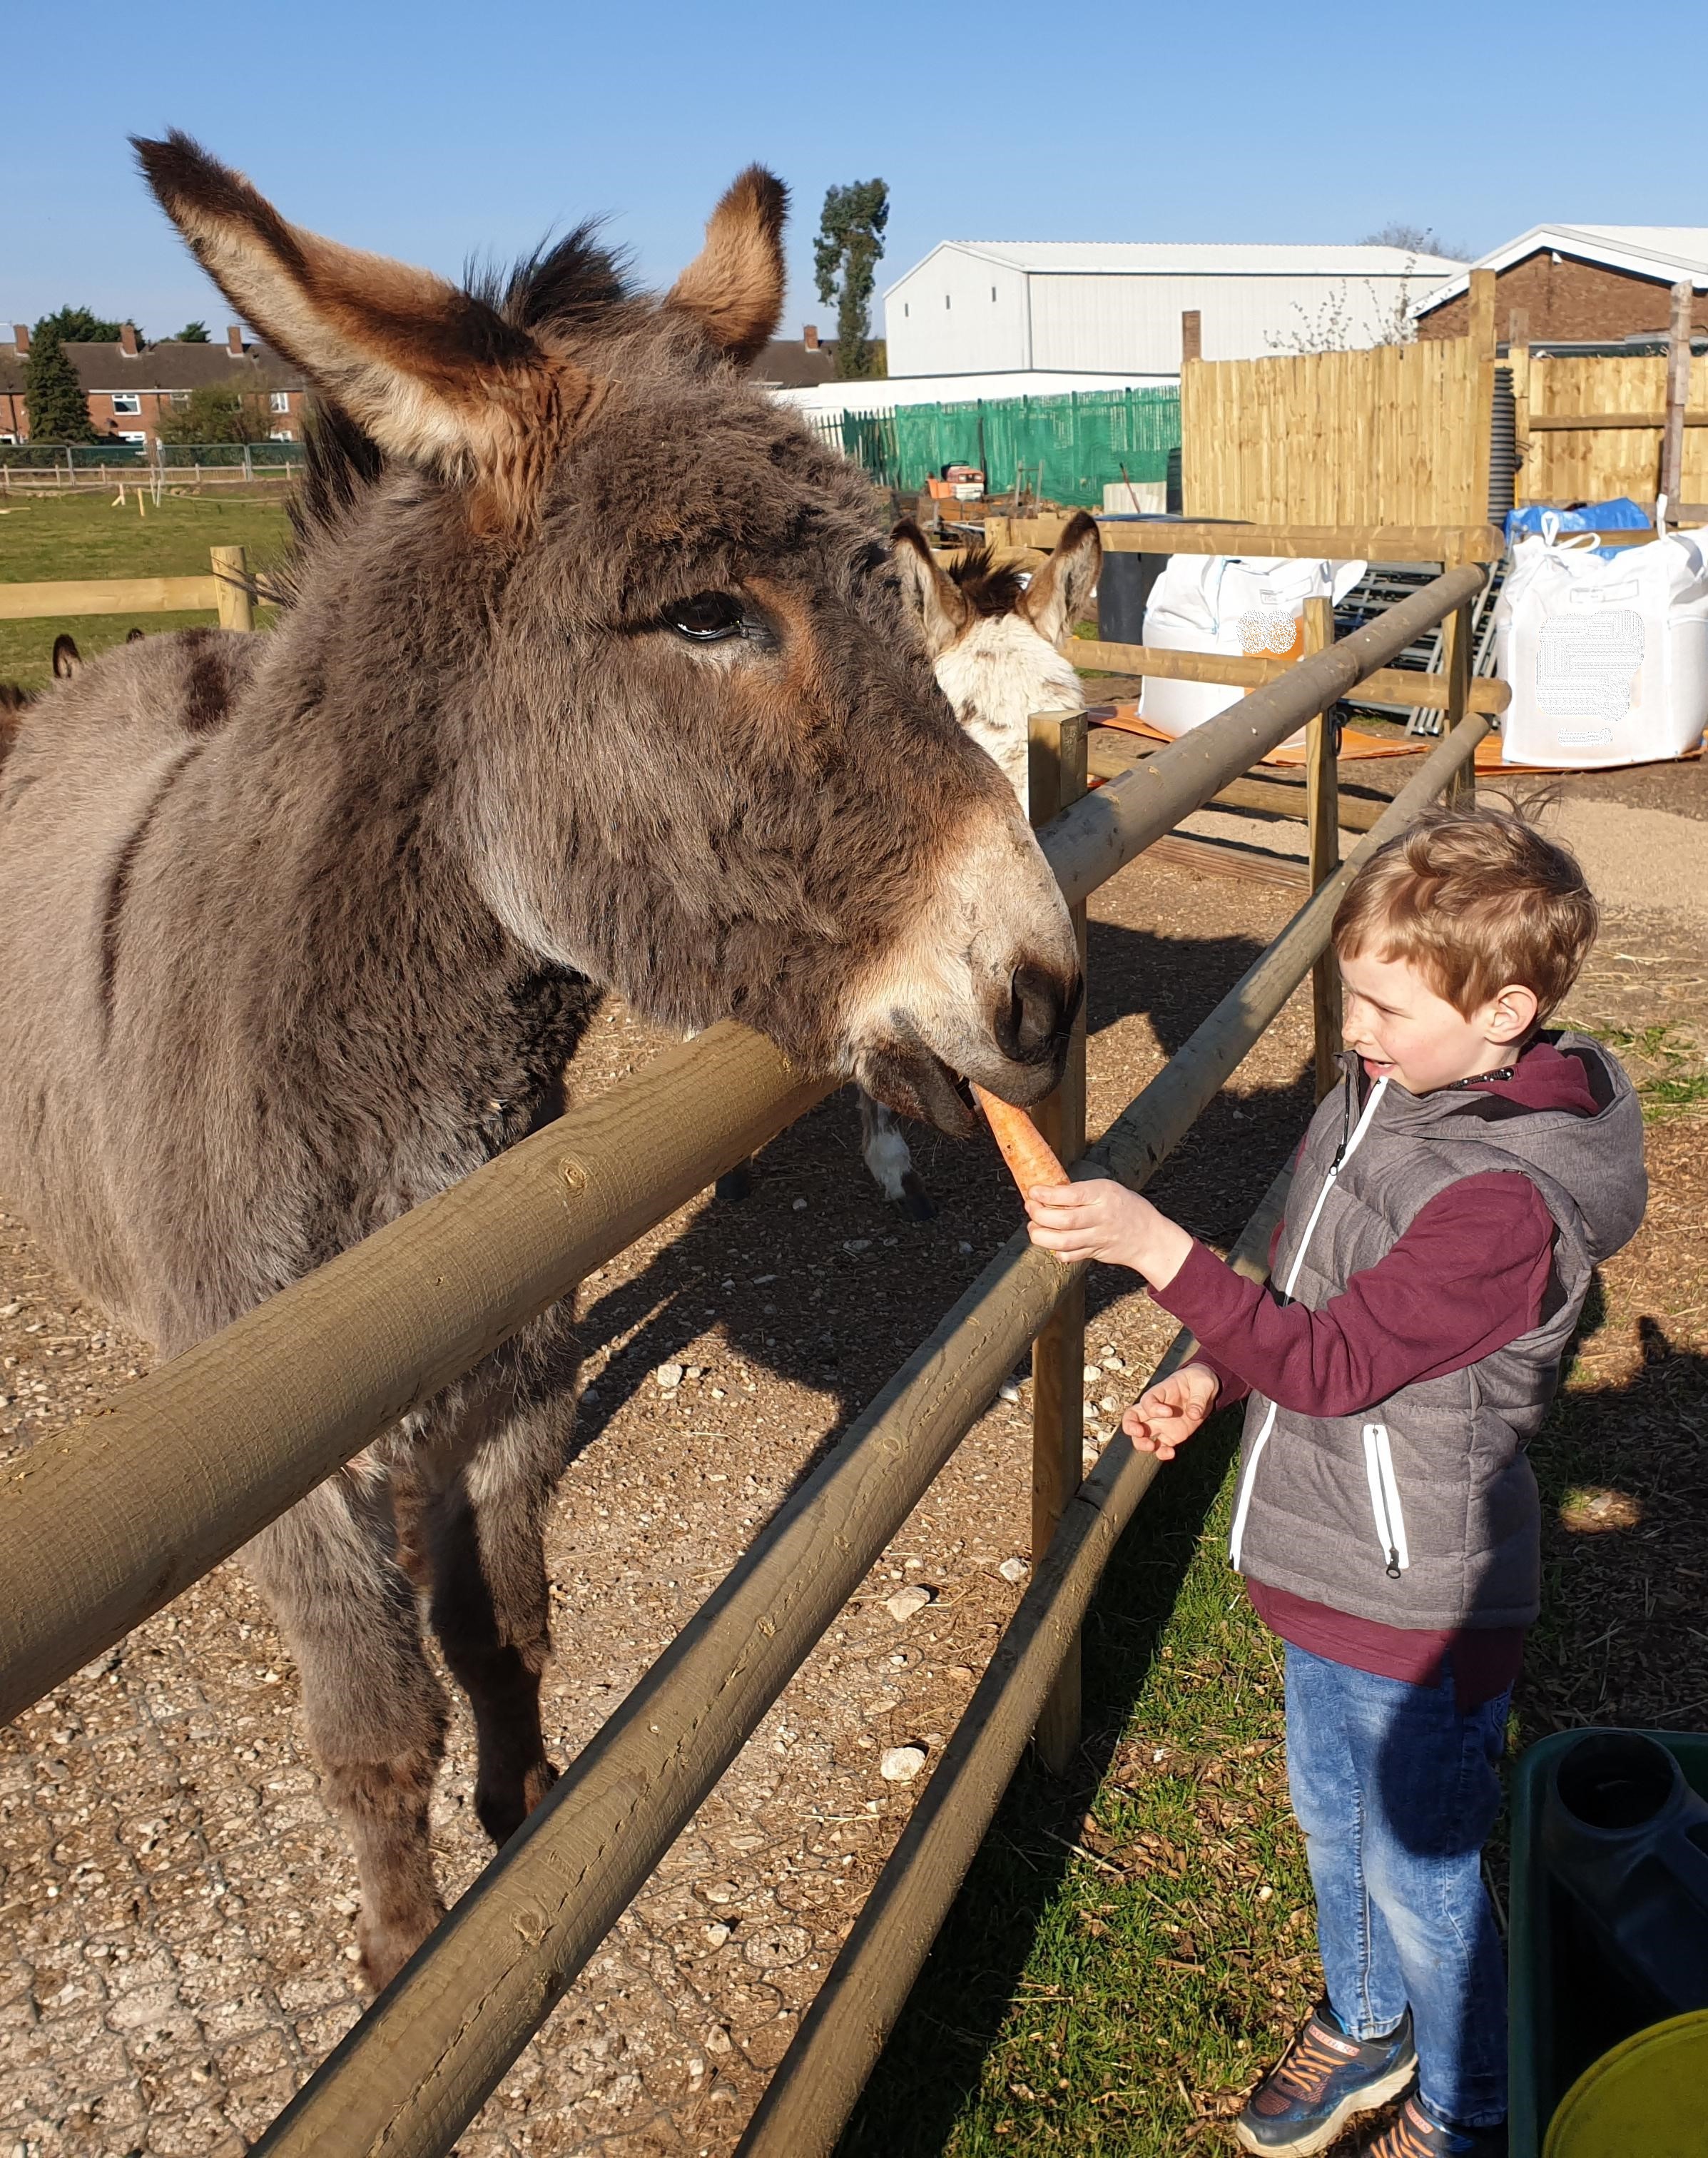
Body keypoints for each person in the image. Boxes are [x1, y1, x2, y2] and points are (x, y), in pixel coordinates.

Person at [1024, 805, 1646, 2158]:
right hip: (1322, 1559)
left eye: (1381, 1004)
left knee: (1421, 1870)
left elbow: (1337, 1358)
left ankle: (1466, 2102)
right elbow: (1305, 1293)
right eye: (1345, 991)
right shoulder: (1387, 1095)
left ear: (1506, 1014)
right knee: (1331, 1823)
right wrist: (1210, 1366)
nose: (1352, 1027)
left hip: (1418, 1590)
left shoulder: (1498, 1203)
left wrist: (1154, 1247)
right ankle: (1369, 2024)